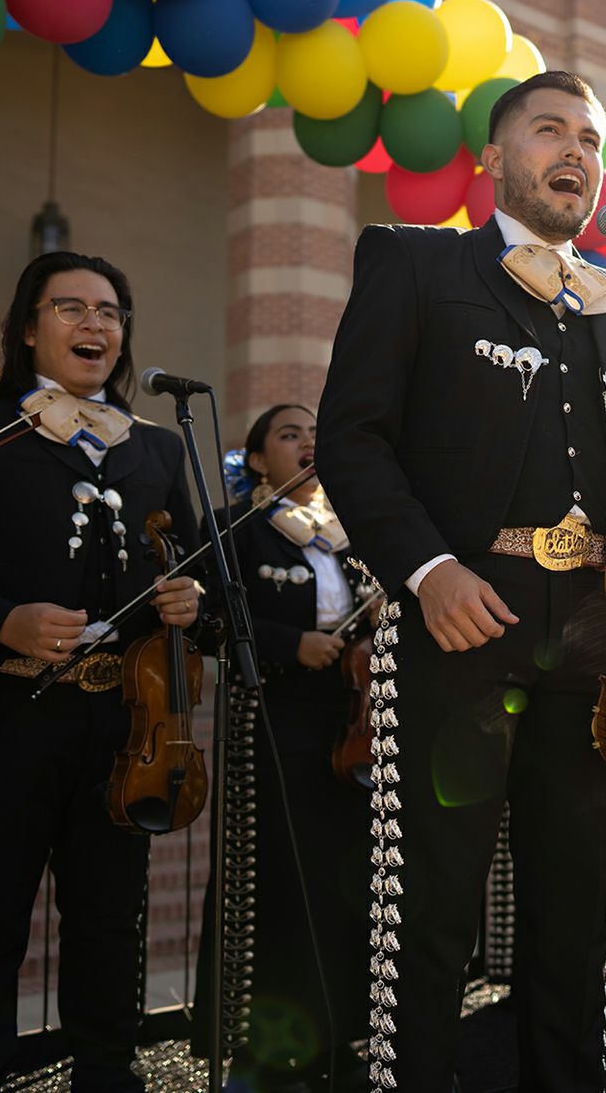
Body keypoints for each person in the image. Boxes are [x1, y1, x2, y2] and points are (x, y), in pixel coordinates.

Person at [316, 70, 606, 1092]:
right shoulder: (412, 263)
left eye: (592, 137)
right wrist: (425, 571)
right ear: (494, 156)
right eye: (549, 129)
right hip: (456, 627)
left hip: (591, 644)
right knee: (432, 921)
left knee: (575, 930)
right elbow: (351, 441)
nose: (576, 151)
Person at [0, 251, 203, 1093]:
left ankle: (106, 1077)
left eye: (110, 310)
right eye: (69, 307)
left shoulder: (158, 449)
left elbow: (204, 578)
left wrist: (191, 603)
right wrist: (2, 622)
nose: (94, 323)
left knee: (110, 923)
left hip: (127, 727)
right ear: (28, 328)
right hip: (1, 713)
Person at [191, 403, 372, 1086]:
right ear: (259, 459)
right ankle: (256, 1045)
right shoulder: (237, 528)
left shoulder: (347, 538)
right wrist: (290, 644)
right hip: (276, 719)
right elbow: (209, 618)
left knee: (343, 885)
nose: (309, 445)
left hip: (349, 727)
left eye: (317, 435)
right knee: (276, 884)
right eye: (290, 435)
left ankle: (335, 1036)